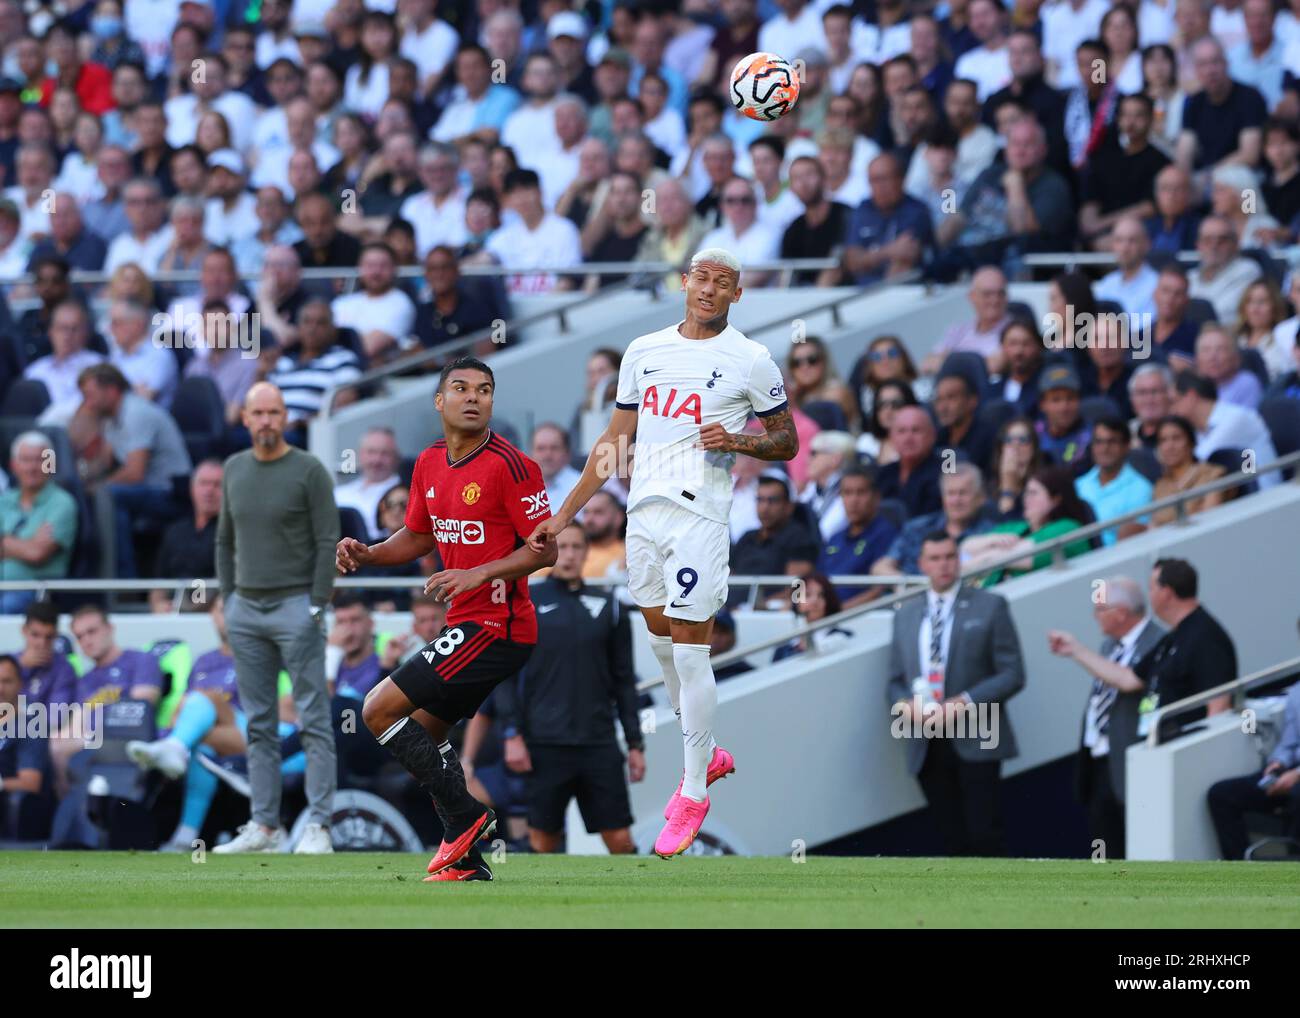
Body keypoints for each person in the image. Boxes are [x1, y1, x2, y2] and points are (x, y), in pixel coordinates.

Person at [527, 246, 797, 859]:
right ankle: (708, 750)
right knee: (660, 640)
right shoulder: (643, 352)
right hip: (642, 512)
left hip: (700, 513)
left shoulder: (751, 360)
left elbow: (787, 439)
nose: (709, 287)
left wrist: (737, 439)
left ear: (737, 295)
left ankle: (694, 790)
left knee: (692, 647)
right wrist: (561, 516)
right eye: (701, 276)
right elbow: (614, 442)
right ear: (684, 282)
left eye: (722, 281)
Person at [337, 356, 557, 881]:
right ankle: (465, 859)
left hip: (499, 626)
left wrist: (479, 574)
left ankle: (466, 817)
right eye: (460, 388)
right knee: (422, 735)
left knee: (376, 710)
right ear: (440, 401)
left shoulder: (514, 464)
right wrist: (370, 554)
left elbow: (544, 551)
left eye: (484, 389)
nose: (473, 397)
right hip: (467, 622)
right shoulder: (429, 462)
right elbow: (417, 536)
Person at [214, 382, 340, 856]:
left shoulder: (309, 470)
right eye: (258, 413)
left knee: (313, 719)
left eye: (274, 412)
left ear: (286, 416)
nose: (266, 421)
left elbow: (328, 540)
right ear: (245, 418)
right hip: (246, 608)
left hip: (295, 605)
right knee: (259, 723)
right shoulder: (233, 469)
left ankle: (319, 826)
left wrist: (317, 602)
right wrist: (229, 600)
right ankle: (265, 826)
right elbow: (224, 541)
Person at [886, 531, 1025, 856]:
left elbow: (1013, 673)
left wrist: (964, 702)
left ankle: (997, 902)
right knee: (949, 835)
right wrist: (905, 706)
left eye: (950, 557)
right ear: (922, 564)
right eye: (935, 558)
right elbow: (894, 681)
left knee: (984, 832)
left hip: (978, 733)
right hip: (926, 739)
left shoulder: (990, 605)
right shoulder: (905, 614)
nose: (944, 565)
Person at [511, 523, 644, 854]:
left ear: (587, 551)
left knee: (620, 839)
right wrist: (511, 734)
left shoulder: (610, 606)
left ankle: (634, 903)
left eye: (576, 547)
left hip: (598, 741)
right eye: (563, 547)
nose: (569, 555)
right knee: (542, 839)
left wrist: (635, 742)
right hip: (544, 740)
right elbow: (507, 675)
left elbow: (624, 680)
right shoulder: (526, 600)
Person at [1048, 558, 1235, 748]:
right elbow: (1128, 679)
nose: (1149, 596)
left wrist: (1208, 754)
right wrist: (1075, 650)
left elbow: (1219, 705)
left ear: (1167, 594)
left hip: (1190, 751)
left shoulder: (1205, 636)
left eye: (1152, 588)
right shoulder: (1173, 637)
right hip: (1164, 746)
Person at [1049, 576, 1165, 858]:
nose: (1095, 617)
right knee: (1104, 839)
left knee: (1138, 840)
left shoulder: (1157, 643)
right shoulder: (1109, 646)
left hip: (1133, 756)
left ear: (1121, 613)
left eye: (1099, 610)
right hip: (1099, 756)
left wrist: (1077, 650)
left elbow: (1131, 683)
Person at [1207, 675, 1300, 860]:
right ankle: (1241, 874)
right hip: (1290, 772)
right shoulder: (1297, 690)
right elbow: (1290, 743)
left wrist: (1297, 774)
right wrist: (1277, 764)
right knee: (1221, 795)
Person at [961, 466, 1093, 585]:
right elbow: (964, 548)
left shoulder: (1068, 528)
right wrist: (992, 540)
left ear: (1055, 500)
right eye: (1026, 492)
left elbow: (1006, 557)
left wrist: (976, 561)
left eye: (1033, 493)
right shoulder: (1017, 528)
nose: (1026, 498)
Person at [0, 432, 78, 614]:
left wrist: (5, 541)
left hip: (36, 591)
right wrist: (27, 544)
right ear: (13, 465)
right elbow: (31, 549)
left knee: (7, 606)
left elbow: (37, 553)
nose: (33, 467)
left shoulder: (62, 502)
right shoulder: (4, 500)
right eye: (26, 460)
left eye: (40, 460)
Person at [1170, 370, 1279, 487]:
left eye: (1174, 402)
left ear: (1190, 396)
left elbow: (1196, 463)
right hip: (1241, 497)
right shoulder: (1198, 430)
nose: (1172, 411)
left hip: (1267, 496)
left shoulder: (1235, 418)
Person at [729, 473, 821, 606]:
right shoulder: (747, 538)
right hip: (730, 615)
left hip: (772, 617)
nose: (765, 507)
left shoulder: (799, 538)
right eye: (760, 500)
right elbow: (727, 579)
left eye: (772, 501)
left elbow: (797, 589)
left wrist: (757, 607)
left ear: (789, 507)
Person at [817, 464, 898, 608]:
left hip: (864, 619)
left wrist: (839, 612)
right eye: (847, 493)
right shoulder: (835, 538)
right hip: (826, 617)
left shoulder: (886, 534)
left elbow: (881, 589)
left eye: (861, 492)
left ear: (876, 497)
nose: (854, 500)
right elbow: (818, 580)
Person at [151, 459, 224, 611]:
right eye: (203, 483)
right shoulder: (175, 531)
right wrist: (159, 605)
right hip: (172, 613)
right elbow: (159, 582)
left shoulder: (235, 533)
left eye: (217, 485)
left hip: (215, 614)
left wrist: (189, 608)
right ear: (192, 489)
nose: (209, 490)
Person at [1075, 416, 1153, 545]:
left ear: (1126, 446)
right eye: (1099, 442)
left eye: (1112, 442)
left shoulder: (1141, 489)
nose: (1104, 448)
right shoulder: (1079, 485)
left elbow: (1135, 542)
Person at [1145, 414, 1229, 527]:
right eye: (1163, 440)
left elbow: (1210, 521)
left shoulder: (1212, 475)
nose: (1169, 446)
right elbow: (1153, 528)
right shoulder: (1160, 486)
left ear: (1191, 442)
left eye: (1176, 438)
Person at [874, 405, 945, 519]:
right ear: (891, 437)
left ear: (932, 435)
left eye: (916, 430)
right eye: (901, 431)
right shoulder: (883, 474)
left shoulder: (944, 474)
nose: (908, 438)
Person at [333, 427, 401, 543]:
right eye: (371, 452)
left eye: (384, 453)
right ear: (360, 454)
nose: (377, 460)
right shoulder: (339, 492)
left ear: (395, 457)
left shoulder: (403, 493)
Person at [1195, 323, 1263, 409]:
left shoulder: (1247, 383)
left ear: (1236, 358)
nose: (1212, 357)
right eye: (1206, 350)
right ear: (1197, 359)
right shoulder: (1191, 388)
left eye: (1220, 349)